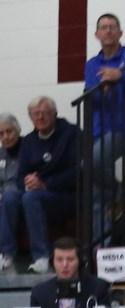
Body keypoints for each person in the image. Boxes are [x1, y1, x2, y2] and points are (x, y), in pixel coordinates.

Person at [80, 12, 125, 236]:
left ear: (120, 33)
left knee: (89, 166)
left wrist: (121, 77)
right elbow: (92, 97)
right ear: (96, 34)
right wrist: (103, 89)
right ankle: (102, 245)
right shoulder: (92, 64)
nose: (108, 31)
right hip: (97, 129)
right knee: (96, 192)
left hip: (123, 128)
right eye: (104, 27)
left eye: (112, 27)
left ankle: (117, 190)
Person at [15, 97, 78, 274]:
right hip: (35, 194)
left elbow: (77, 172)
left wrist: (45, 184)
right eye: (35, 114)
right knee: (10, 197)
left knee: (30, 198)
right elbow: (21, 175)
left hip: (65, 196)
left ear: (55, 114)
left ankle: (41, 257)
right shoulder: (28, 140)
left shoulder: (71, 133)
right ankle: (5, 255)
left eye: (45, 113)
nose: (40, 118)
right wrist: (27, 183)